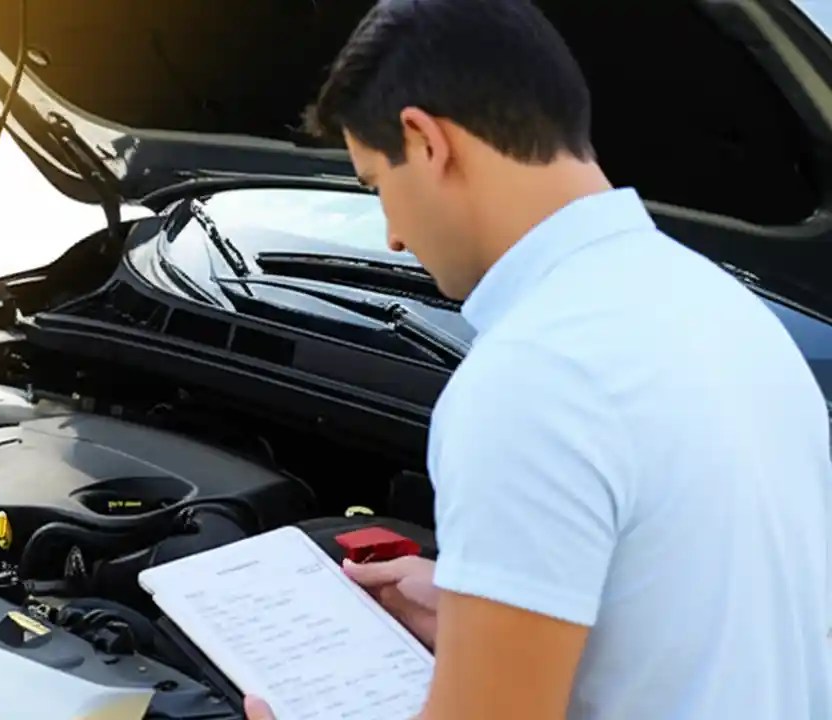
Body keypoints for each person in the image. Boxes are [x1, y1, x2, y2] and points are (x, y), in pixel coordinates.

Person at [243, 0, 832, 719]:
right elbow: (701, 624)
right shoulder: (726, 312)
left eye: (376, 187)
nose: (392, 234)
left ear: (425, 141)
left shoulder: (531, 378)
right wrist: (482, 610)